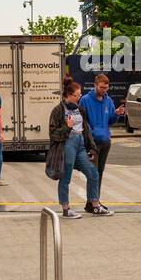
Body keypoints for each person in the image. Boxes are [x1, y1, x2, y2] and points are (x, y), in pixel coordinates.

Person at [48, 80, 107, 218]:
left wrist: (92, 147)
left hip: (80, 144)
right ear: (68, 95)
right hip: (67, 144)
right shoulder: (58, 110)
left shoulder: (79, 109)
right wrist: (67, 127)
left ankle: (95, 205)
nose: (79, 98)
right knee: (65, 176)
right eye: (77, 95)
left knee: (93, 173)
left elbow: (86, 130)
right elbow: (53, 134)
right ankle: (66, 208)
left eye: (80, 95)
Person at [78, 73, 125, 189]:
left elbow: (111, 121)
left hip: (105, 142)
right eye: (101, 87)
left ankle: (95, 202)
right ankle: (92, 203)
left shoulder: (108, 101)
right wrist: (88, 139)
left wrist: (116, 114)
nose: (104, 90)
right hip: (92, 143)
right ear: (95, 85)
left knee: (100, 172)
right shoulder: (85, 100)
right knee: (93, 173)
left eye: (106, 88)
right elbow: (81, 121)